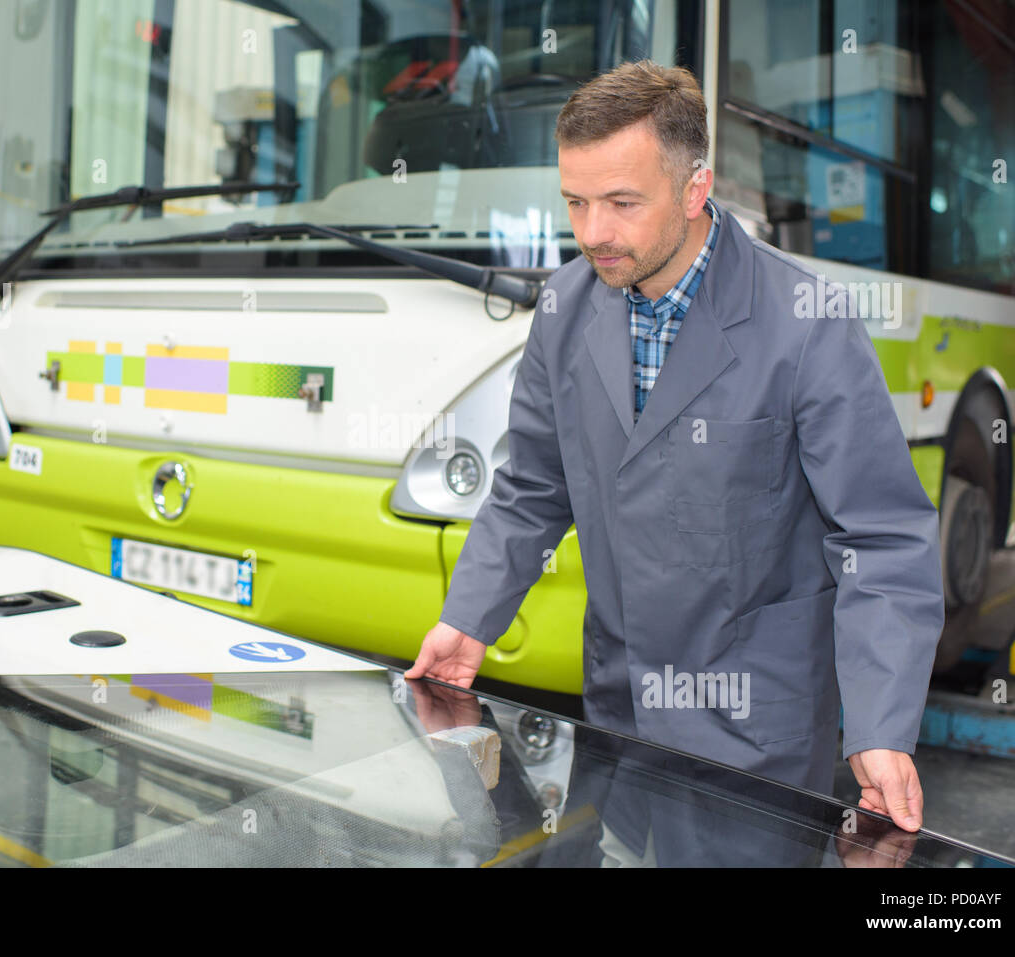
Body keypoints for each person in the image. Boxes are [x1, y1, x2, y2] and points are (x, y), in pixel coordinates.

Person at [404, 60, 945, 860]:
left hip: (753, 739)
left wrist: (879, 724)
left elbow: (881, 537)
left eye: (622, 203)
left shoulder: (808, 325)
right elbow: (531, 486)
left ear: (696, 191)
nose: (593, 232)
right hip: (616, 720)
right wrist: (468, 618)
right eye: (576, 203)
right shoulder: (565, 307)